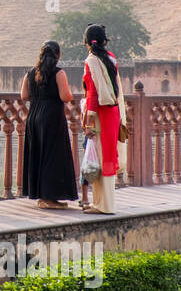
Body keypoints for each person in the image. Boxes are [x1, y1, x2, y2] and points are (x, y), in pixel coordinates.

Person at [20, 40, 78, 209]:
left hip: (34, 117)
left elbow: (24, 95)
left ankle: (41, 195)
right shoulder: (58, 73)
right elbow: (65, 96)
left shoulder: (31, 73)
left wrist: (39, 97)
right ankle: (49, 198)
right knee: (52, 157)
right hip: (51, 117)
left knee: (38, 155)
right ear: (58, 55)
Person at [81, 23, 125, 214]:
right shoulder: (111, 58)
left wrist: (88, 122)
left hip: (99, 113)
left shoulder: (91, 60)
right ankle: (101, 202)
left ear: (87, 41)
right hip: (112, 112)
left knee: (101, 157)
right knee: (107, 156)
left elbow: (92, 93)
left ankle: (103, 205)